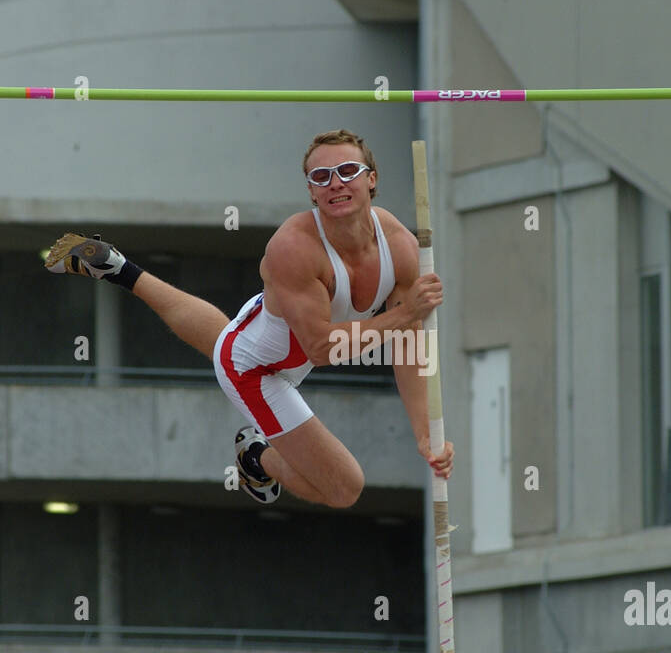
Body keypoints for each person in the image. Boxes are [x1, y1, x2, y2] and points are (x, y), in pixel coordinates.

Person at [45, 127, 455, 507]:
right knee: (345, 489)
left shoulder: (398, 244)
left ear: (372, 179)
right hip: (258, 372)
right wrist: (407, 315)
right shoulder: (293, 247)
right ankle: (257, 457)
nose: (335, 183)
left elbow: (408, 342)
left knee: (226, 339)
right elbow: (322, 347)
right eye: (321, 177)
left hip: (264, 328)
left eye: (347, 171)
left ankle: (118, 268)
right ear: (312, 193)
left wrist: (424, 430)